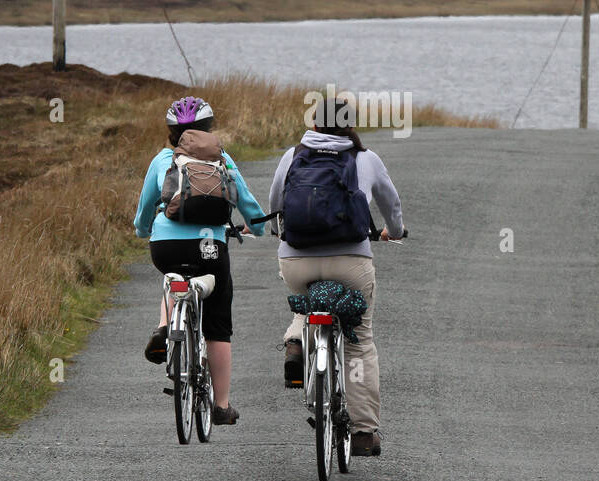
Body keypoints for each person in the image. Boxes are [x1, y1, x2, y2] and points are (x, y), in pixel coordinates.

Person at [267, 105, 404, 457]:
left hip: (297, 259)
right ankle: (362, 432)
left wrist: (275, 232)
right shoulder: (366, 158)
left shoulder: (293, 154)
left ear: (314, 124)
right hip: (351, 261)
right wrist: (395, 231)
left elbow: (275, 200)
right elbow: (392, 204)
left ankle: (297, 339)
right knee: (359, 341)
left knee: (305, 301)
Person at [134, 96, 266, 425]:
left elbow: (146, 205)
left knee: (173, 276)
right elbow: (245, 199)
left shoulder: (162, 159)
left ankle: (165, 328)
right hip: (210, 244)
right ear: (209, 129)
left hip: (165, 245)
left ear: (171, 132)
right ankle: (221, 406)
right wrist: (260, 226)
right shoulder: (221, 159)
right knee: (218, 326)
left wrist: (142, 229)